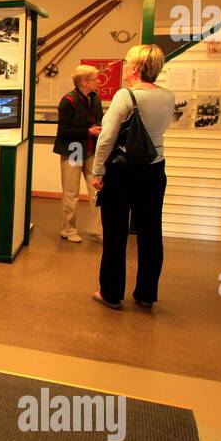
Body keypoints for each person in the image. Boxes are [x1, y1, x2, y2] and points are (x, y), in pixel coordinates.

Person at [90, 44, 176, 310]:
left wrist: (97, 171)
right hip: (153, 170)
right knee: (151, 232)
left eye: (127, 62)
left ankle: (111, 293)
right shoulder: (168, 96)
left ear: (136, 68)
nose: (124, 66)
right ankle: (146, 293)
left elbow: (107, 138)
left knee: (115, 234)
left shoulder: (124, 96)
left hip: (122, 171)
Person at [54, 64, 104, 242]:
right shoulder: (68, 101)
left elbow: (98, 120)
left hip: (91, 151)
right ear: (84, 82)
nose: (99, 81)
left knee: (98, 191)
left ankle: (98, 231)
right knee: (71, 192)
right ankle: (68, 230)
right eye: (96, 78)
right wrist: (88, 131)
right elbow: (63, 132)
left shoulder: (95, 98)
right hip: (73, 150)